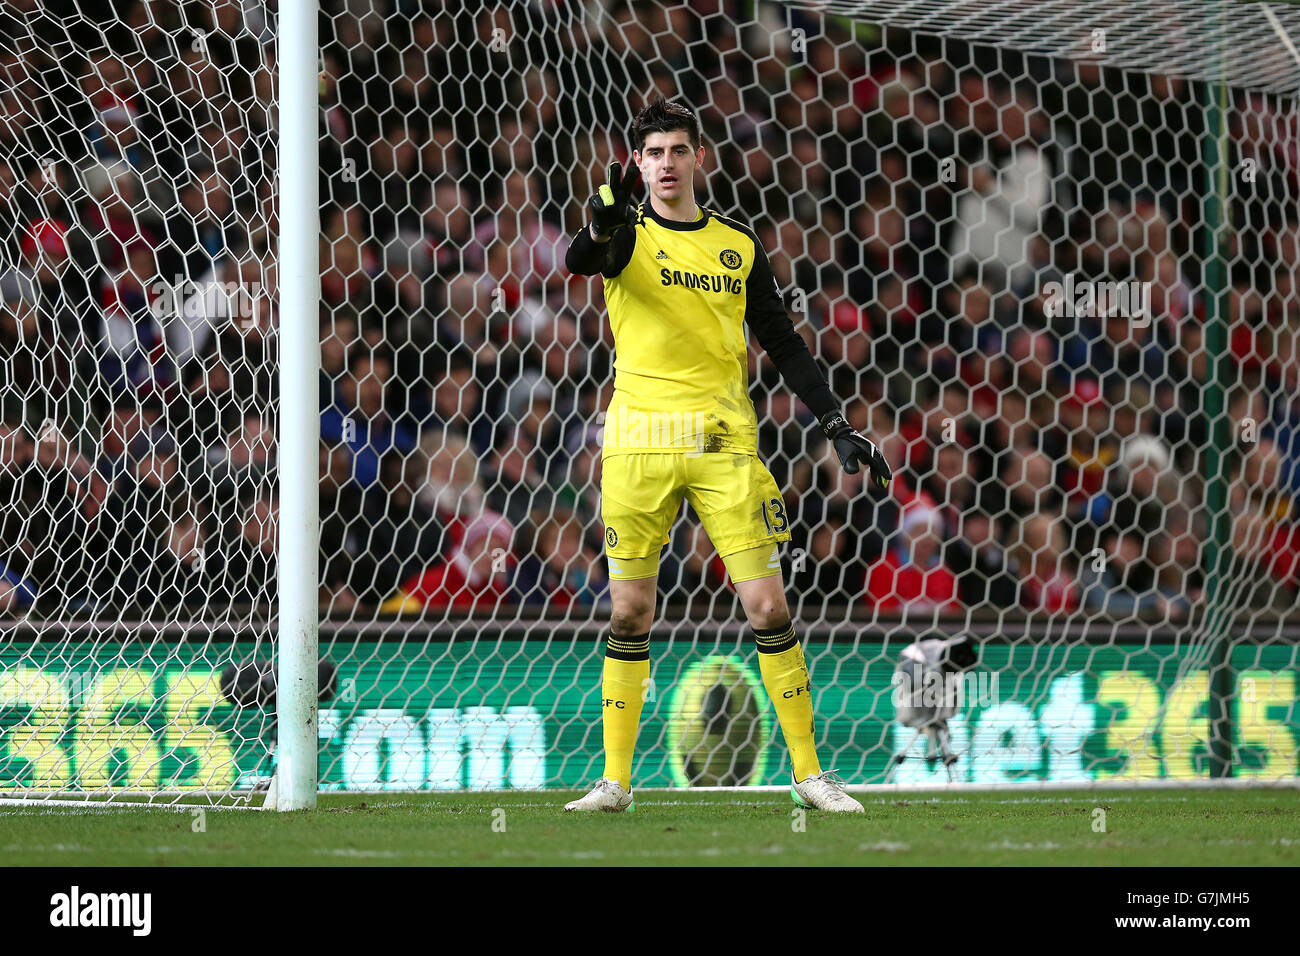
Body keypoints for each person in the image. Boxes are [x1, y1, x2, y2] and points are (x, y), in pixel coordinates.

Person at [561, 97, 893, 813]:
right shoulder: (626, 233)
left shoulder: (738, 246)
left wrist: (836, 421)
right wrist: (600, 218)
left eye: (678, 150)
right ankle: (615, 782)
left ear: (699, 157)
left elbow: (782, 340)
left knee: (769, 607)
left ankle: (808, 775)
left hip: (721, 444)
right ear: (639, 164)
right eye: (653, 153)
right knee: (628, 613)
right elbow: (581, 258)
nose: (667, 164)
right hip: (639, 446)